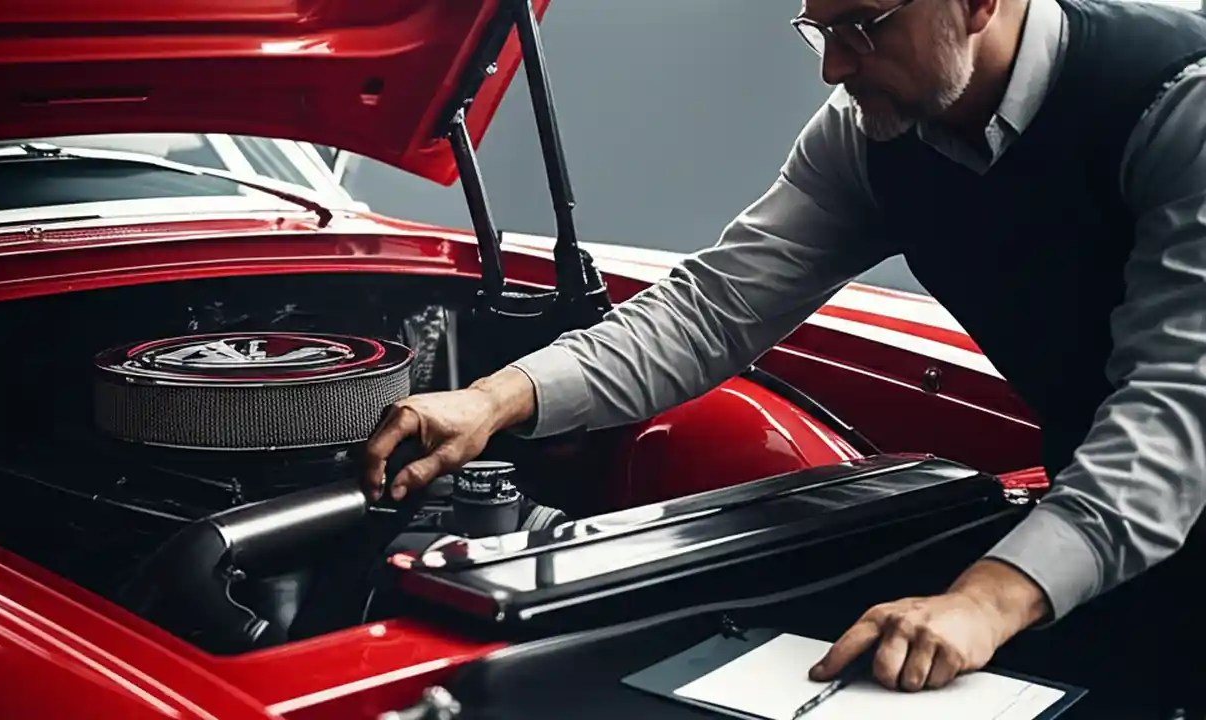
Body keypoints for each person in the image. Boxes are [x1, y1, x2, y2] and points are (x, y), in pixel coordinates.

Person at [364, 0, 1206, 697]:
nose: (834, 67)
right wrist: (492, 400)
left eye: (863, 26)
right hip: (1105, 525)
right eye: (819, 29)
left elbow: (1176, 411)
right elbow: (713, 307)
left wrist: (987, 600)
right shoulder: (869, 135)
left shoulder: (1180, 100)